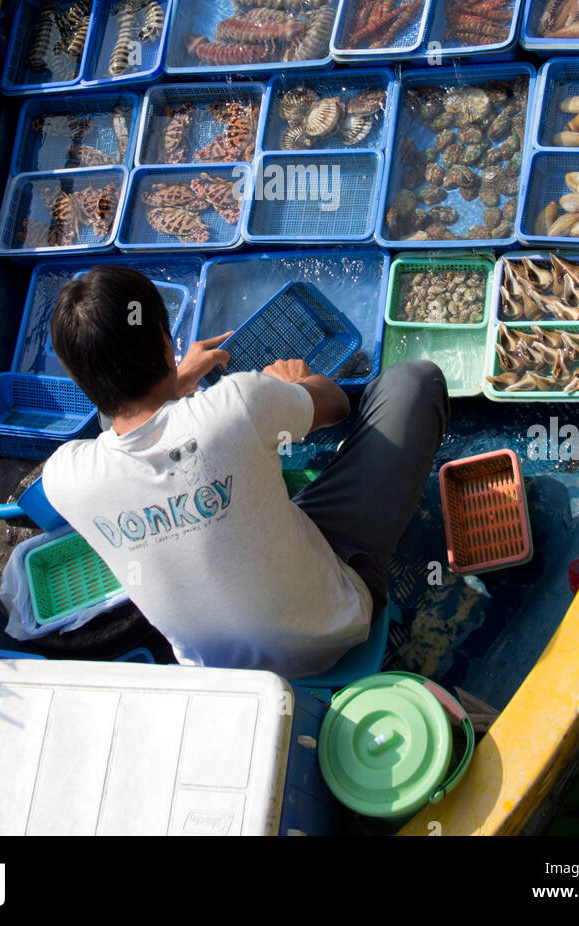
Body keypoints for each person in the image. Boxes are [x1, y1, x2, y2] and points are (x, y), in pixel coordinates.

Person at [42, 264, 449, 679]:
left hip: (222, 675)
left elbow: (123, 429)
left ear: (78, 377)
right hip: (331, 628)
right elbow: (335, 406)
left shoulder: (64, 477)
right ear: (166, 341)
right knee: (416, 382)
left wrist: (177, 382)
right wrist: (294, 381)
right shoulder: (238, 402)